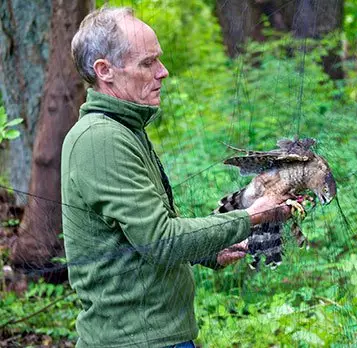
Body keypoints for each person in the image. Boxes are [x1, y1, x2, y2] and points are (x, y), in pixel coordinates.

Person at [62, 7, 289, 347]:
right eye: (147, 63)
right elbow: (160, 240)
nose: (163, 72)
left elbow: (136, 237)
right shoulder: (101, 139)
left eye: (159, 60)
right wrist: (252, 216)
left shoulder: (122, 130)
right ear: (104, 70)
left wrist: (208, 251)